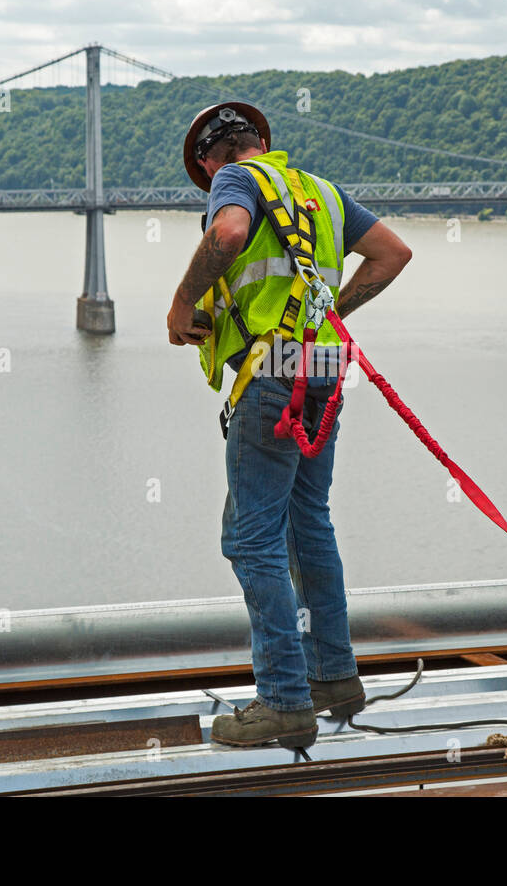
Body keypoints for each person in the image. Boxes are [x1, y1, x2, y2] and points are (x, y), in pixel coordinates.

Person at [167, 102, 412, 746]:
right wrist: (331, 314)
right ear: (263, 141)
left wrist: (182, 301)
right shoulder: (320, 191)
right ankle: (333, 675)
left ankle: (281, 698)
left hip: (269, 372)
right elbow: (393, 253)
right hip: (323, 366)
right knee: (310, 521)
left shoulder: (236, 180)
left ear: (209, 160)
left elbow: (225, 237)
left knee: (253, 538)